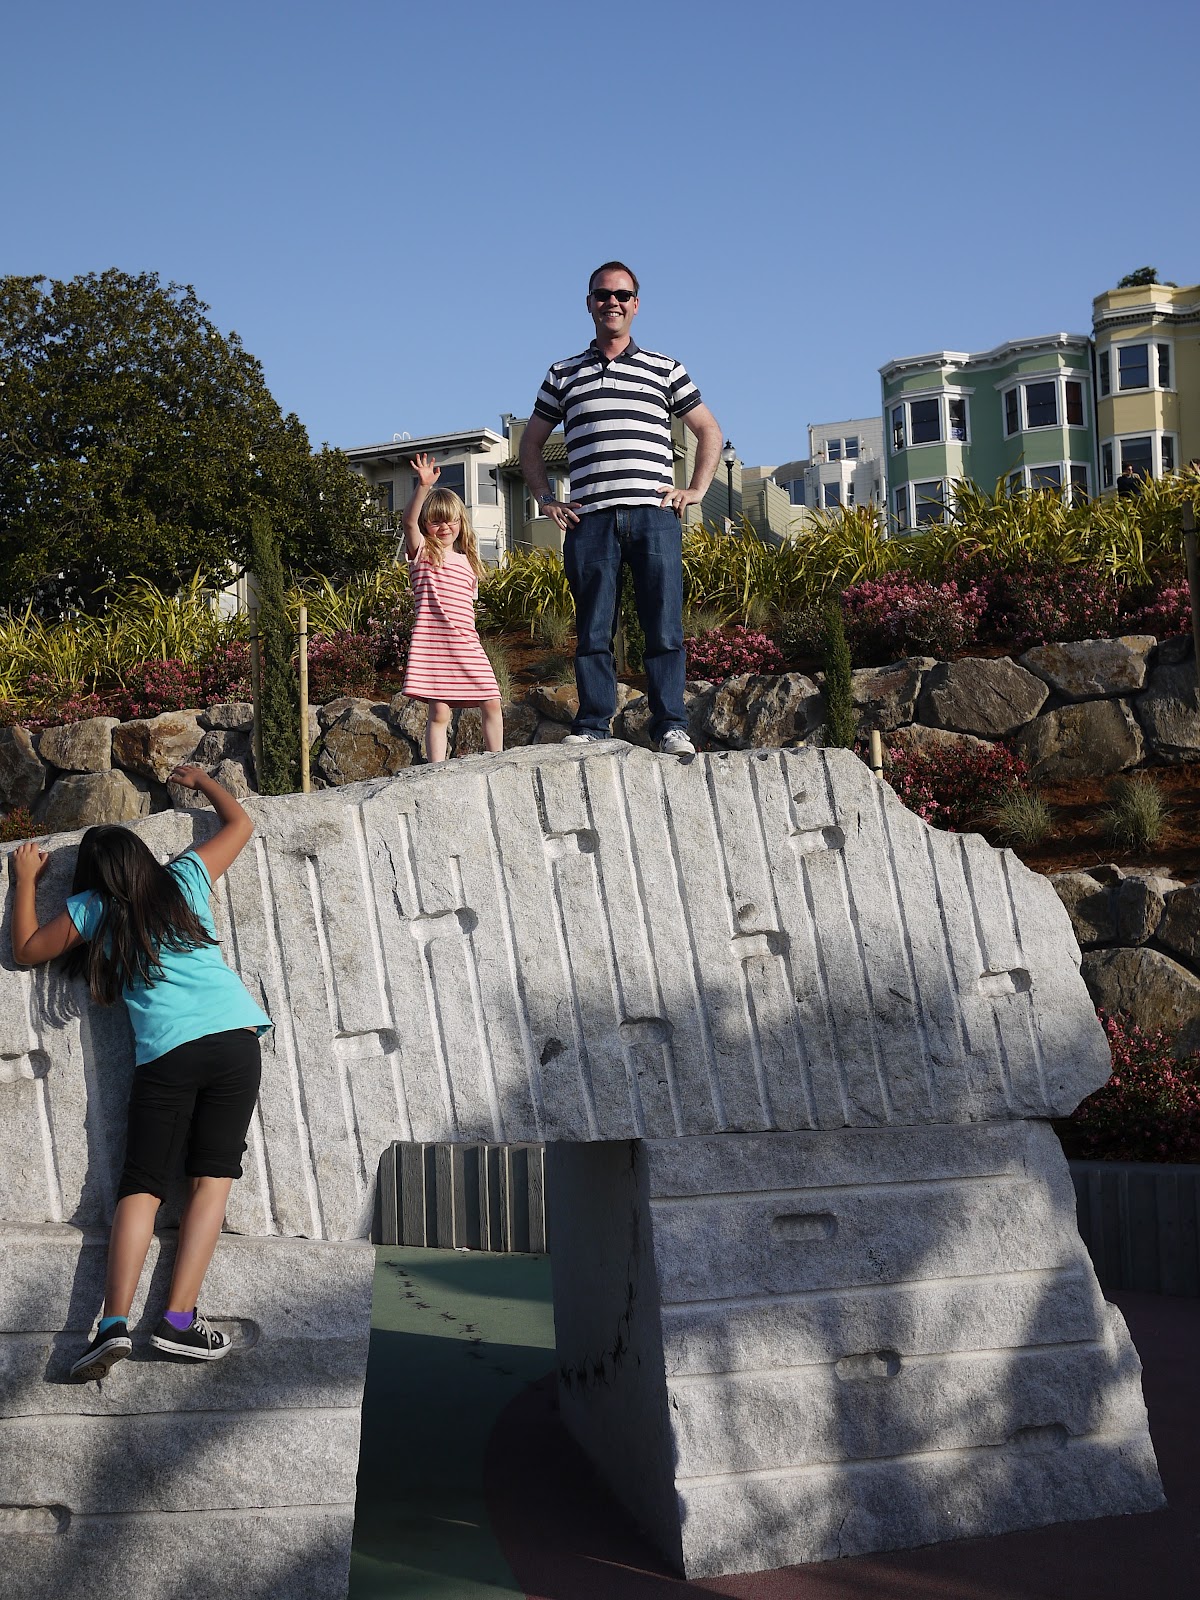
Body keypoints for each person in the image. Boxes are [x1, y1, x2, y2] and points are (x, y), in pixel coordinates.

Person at [8, 767, 272, 1382]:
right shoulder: (183, 878)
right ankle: (178, 1320)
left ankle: (112, 1325)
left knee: (142, 1187)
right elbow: (242, 824)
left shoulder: (94, 909)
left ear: (95, 878)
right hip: (234, 1039)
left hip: (166, 1056)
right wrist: (204, 781)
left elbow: (24, 951)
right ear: (143, 859)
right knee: (212, 1179)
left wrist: (25, 880)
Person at [519, 260, 724, 755]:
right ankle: (592, 726)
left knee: (664, 624)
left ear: (636, 303)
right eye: (603, 294)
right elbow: (530, 444)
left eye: (623, 295)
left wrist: (694, 490)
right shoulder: (562, 373)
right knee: (593, 628)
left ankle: (671, 724)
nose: (613, 302)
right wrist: (547, 499)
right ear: (589, 302)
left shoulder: (665, 368)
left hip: (655, 516)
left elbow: (709, 430)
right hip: (590, 520)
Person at [400, 452, 503, 762]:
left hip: (466, 643)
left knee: (492, 701)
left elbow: (467, 611)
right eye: (436, 520)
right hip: (435, 644)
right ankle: (436, 769)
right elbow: (408, 521)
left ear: (461, 522)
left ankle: (496, 758)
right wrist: (423, 486)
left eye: (451, 520)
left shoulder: (469, 562)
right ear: (426, 524)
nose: (444, 526)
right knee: (439, 711)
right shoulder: (422, 552)